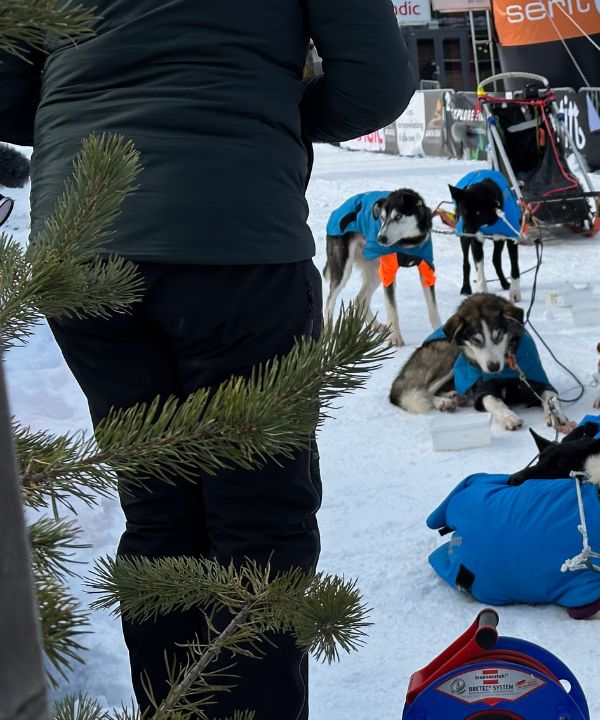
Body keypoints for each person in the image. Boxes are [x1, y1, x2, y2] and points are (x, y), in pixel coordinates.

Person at [0, 1, 414, 718]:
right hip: (235, 237)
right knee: (259, 522)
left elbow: (6, 83)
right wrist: (268, 105)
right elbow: (375, 84)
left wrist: (91, 106)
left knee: (159, 512)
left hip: (83, 238)